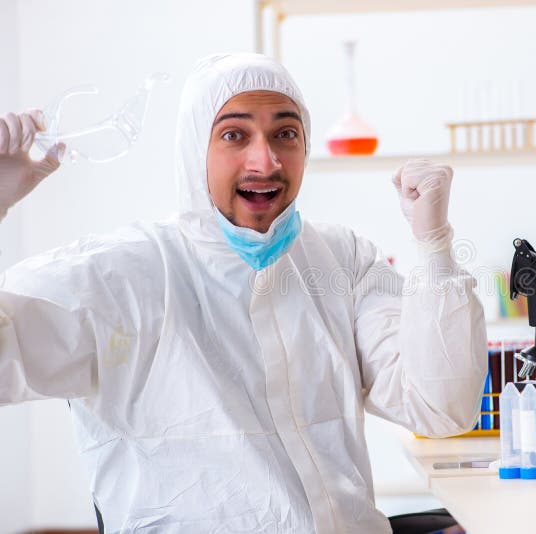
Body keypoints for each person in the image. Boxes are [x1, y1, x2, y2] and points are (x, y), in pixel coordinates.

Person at [0, 53, 487, 533]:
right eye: (234, 135)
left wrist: (434, 246)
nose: (266, 160)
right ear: (196, 151)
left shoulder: (342, 260)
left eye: (285, 134)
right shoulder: (123, 276)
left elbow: (438, 408)